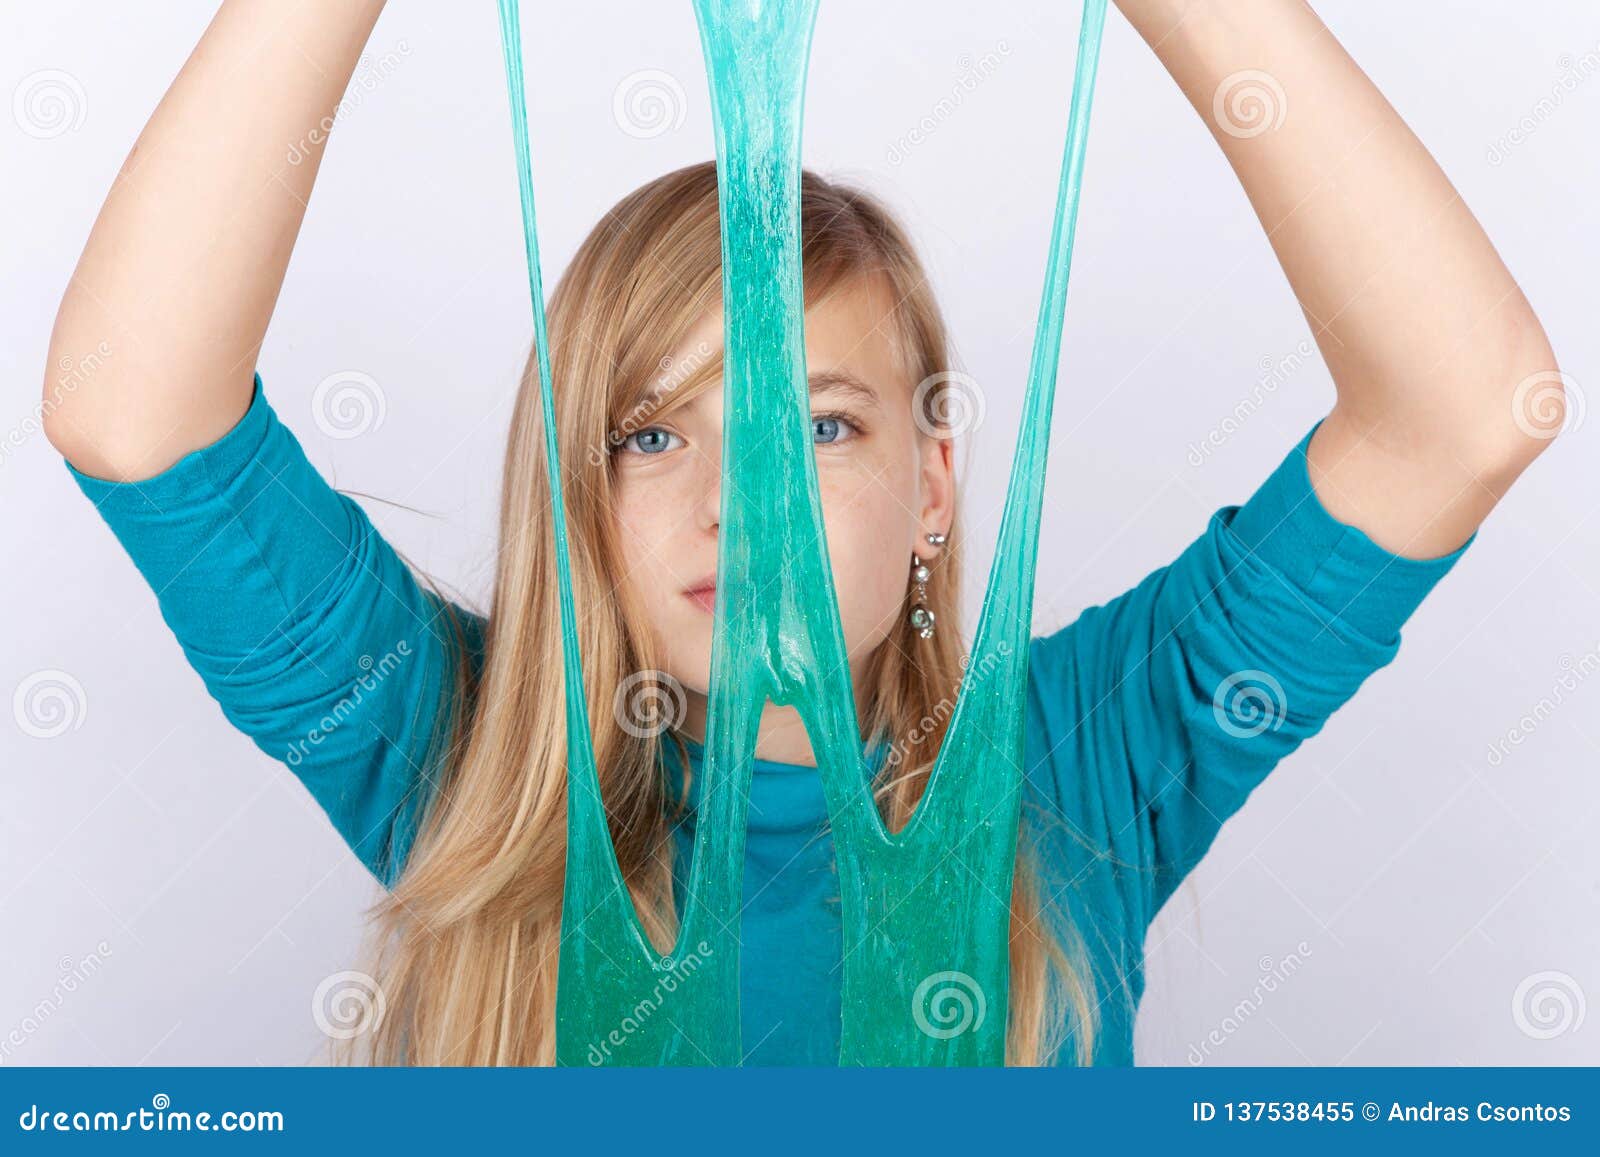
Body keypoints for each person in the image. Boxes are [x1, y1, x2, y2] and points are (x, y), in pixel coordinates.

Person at [42, 0, 1562, 1065]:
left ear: (934, 487)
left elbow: (1467, 412)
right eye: (653, 435)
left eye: (824, 426)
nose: (743, 498)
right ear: (581, 501)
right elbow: (133, 412)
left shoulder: (1077, 760)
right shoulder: (465, 756)